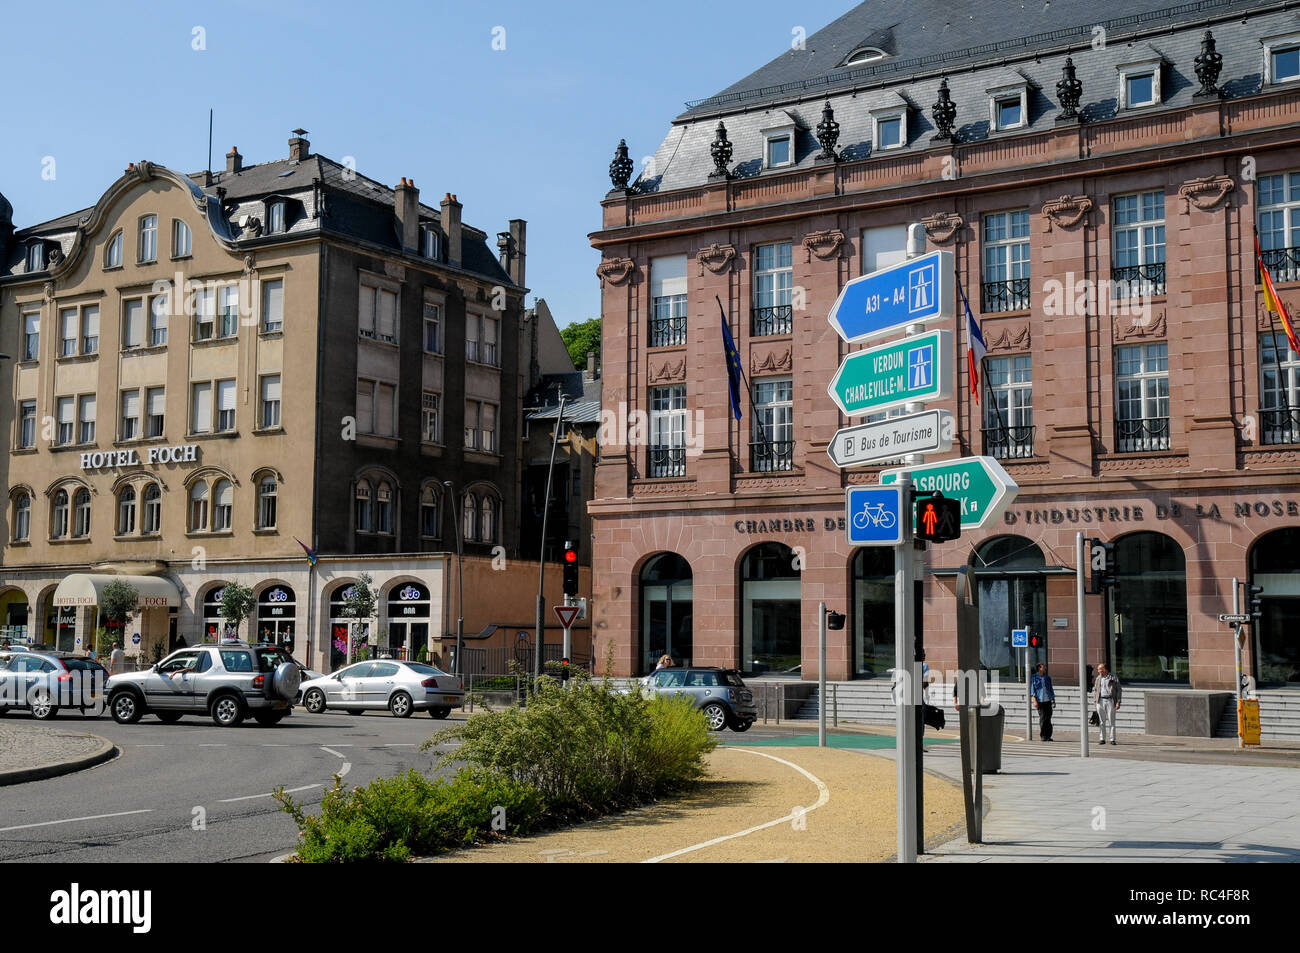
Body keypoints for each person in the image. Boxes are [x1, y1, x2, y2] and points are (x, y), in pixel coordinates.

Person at [1092, 662, 1122, 745]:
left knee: (1111, 721)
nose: (1098, 671)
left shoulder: (1113, 677)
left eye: (1099, 669)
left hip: (1110, 700)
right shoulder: (1098, 678)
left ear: (1104, 669)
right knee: (1101, 721)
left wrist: (1118, 702)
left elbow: (1119, 690)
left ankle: (1112, 739)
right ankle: (1102, 738)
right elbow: (1095, 690)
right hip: (1100, 701)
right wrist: (1095, 702)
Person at [1031, 662, 1056, 741]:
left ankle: (1048, 736)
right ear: (1039, 668)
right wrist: (1034, 700)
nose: (1045, 668)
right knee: (1043, 718)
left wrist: (1053, 699)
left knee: (1048, 718)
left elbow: (1050, 689)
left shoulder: (1047, 678)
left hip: (1048, 700)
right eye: (1043, 667)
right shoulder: (1034, 677)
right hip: (1040, 701)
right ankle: (1043, 736)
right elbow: (1032, 690)